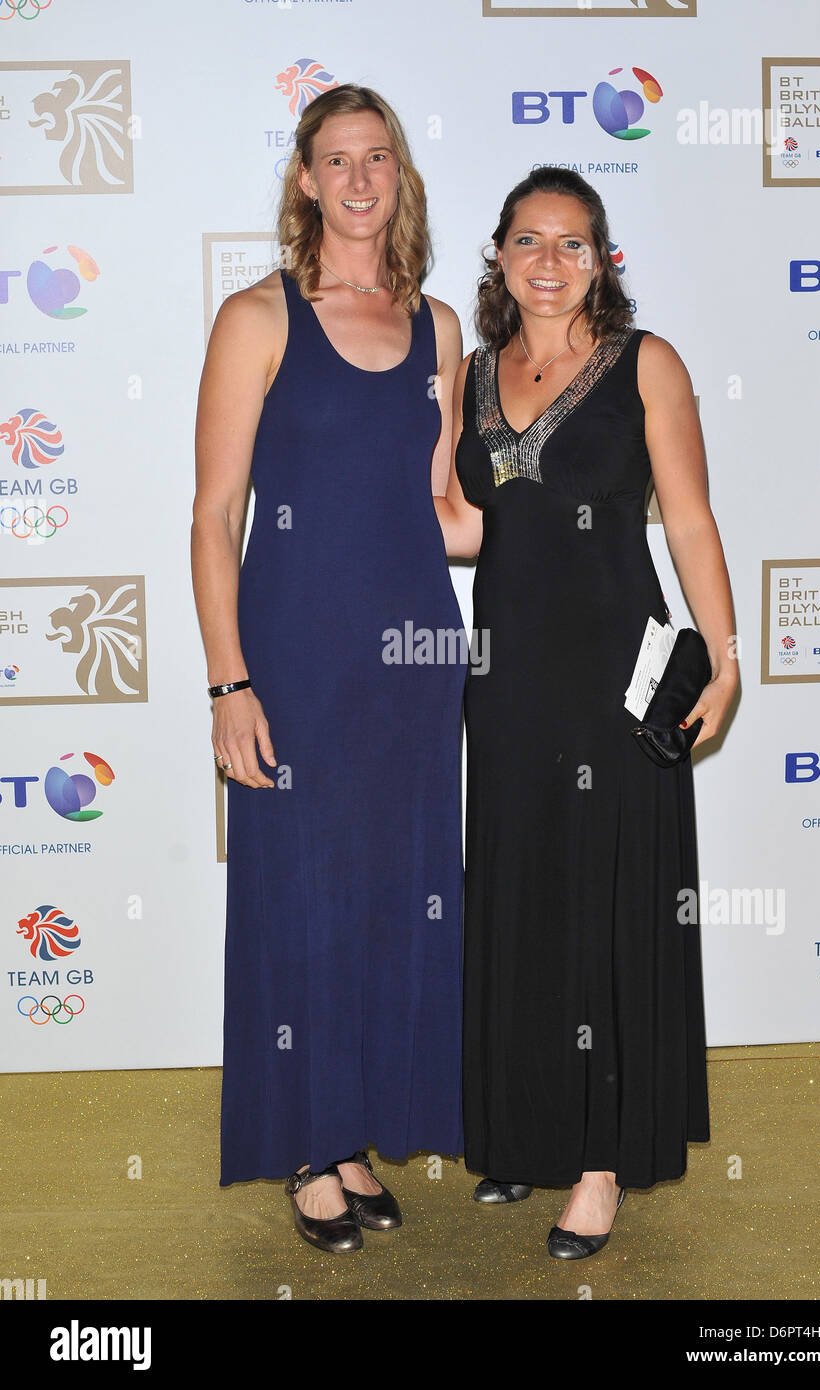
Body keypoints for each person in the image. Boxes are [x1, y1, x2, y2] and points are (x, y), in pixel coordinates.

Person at [434, 167, 737, 1260]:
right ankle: (522, 1130)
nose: (549, 261)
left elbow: (690, 520)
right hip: (507, 680)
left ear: (601, 259)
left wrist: (728, 655)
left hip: (615, 675)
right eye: (529, 240)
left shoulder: (647, 364)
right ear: (500, 256)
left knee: (606, 905)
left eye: (573, 242)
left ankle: (601, 1159)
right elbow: (463, 525)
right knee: (519, 895)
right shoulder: (469, 373)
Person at [191, 84, 466, 1253]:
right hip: (295, 659)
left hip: (413, 661)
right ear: (305, 180)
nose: (359, 179)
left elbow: (447, 510)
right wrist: (228, 682)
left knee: (387, 902)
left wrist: (568, 521)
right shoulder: (256, 319)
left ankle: (353, 1133)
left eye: (377, 157)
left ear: (399, 173)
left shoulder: (441, 326)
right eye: (336, 159)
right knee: (297, 897)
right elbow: (212, 517)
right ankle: (306, 1148)